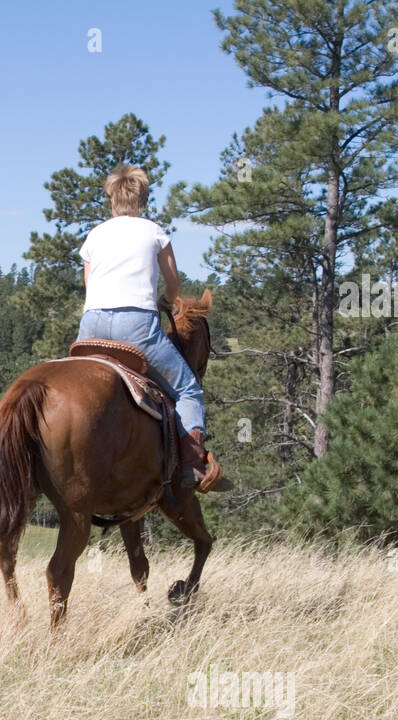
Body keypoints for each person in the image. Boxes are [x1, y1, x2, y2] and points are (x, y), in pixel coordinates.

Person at [76, 164, 222, 491]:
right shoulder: (155, 232)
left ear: (112, 200)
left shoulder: (94, 235)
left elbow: (89, 285)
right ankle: (191, 466)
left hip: (92, 325)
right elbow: (173, 286)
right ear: (142, 200)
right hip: (136, 327)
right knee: (187, 389)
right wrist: (168, 302)